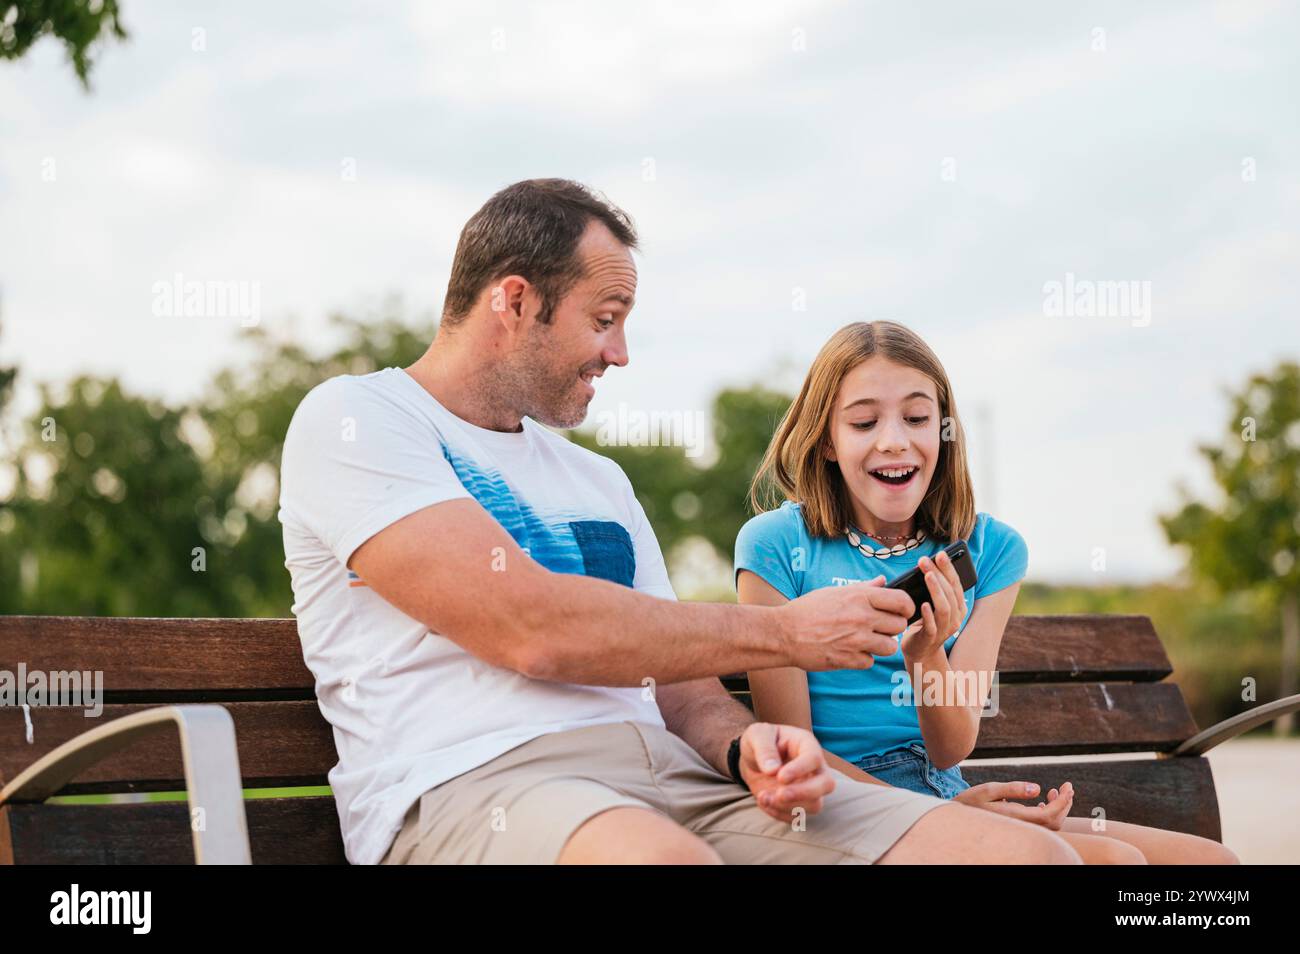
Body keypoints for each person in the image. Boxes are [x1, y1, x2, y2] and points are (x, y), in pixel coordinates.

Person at [278, 178, 1083, 865]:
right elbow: (529, 628)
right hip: (479, 785)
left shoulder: (597, 479)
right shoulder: (357, 420)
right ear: (517, 301)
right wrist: (788, 635)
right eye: (605, 318)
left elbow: (689, 698)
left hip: (675, 779)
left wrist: (747, 748)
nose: (620, 353)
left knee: (1026, 857)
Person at [734, 320, 1238, 864]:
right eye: (863, 422)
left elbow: (952, 748)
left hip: (948, 788)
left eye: (918, 417)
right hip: (845, 804)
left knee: (1213, 868)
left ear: (944, 430)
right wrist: (943, 815)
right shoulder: (775, 546)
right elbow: (797, 758)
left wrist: (926, 654)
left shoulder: (992, 549)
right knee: (1117, 863)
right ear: (828, 440)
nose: (895, 440)